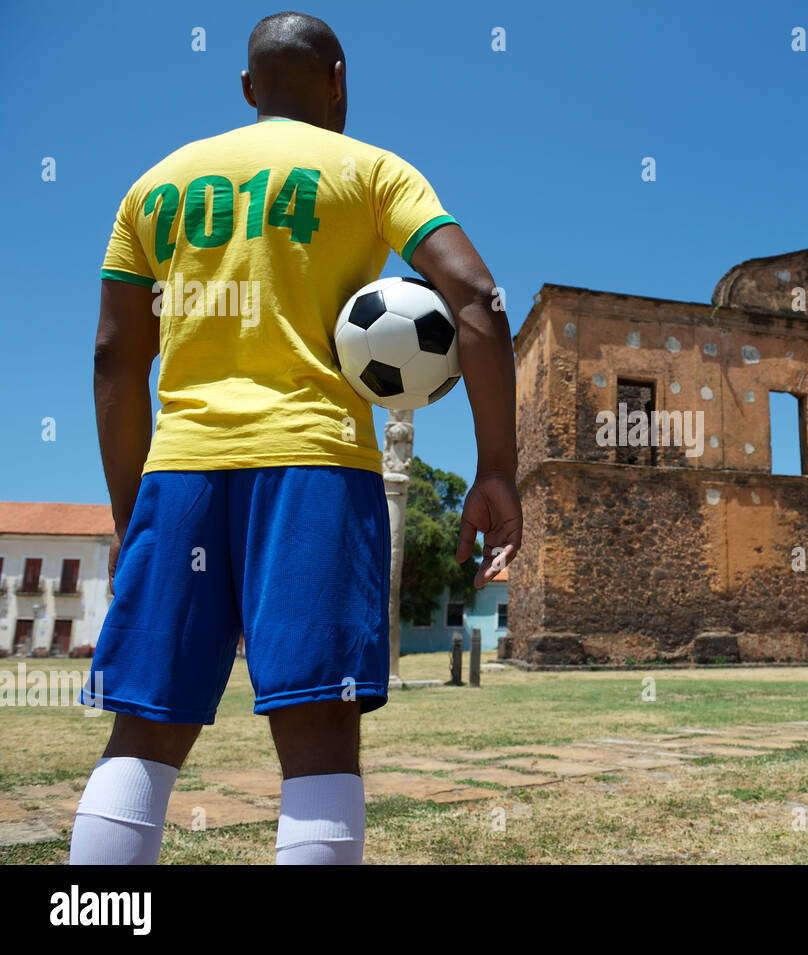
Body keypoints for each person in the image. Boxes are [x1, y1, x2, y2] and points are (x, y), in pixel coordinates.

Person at [72, 10, 521, 865]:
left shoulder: (156, 184)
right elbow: (474, 294)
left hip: (182, 474)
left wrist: (139, 516)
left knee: (142, 736)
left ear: (247, 89)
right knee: (318, 741)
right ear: (339, 79)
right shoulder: (373, 170)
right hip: (315, 468)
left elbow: (114, 356)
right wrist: (495, 466)